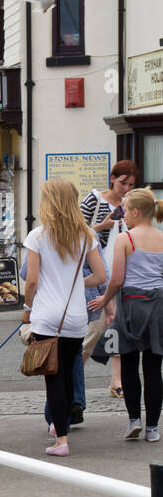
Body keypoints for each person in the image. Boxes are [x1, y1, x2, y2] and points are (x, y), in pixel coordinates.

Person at [22, 180, 107, 457]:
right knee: (68, 374)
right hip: (75, 318)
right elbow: (101, 276)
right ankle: (63, 426)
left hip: (47, 318)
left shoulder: (38, 236)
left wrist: (26, 307)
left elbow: (32, 280)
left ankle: (61, 439)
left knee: (52, 378)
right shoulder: (86, 236)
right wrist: (78, 283)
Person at [89, 189, 163, 442]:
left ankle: (134, 421)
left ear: (135, 211)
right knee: (154, 369)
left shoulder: (125, 239)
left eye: (124, 211)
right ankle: (153, 428)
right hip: (158, 308)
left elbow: (117, 279)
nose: (122, 217)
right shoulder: (162, 238)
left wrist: (104, 299)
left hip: (131, 307)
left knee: (129, 366)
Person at [81, 160, 139, 396]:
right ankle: (73, 371)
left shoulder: (130, 203)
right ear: (112, 178)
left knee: (117, 324)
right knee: (94, 328)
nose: (126, 188)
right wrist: (101, 226)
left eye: (131, 184)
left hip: (123, 270)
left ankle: (116, 381)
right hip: (97, 271)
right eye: (123, 183)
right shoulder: (94, 199)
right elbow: (76, 232)